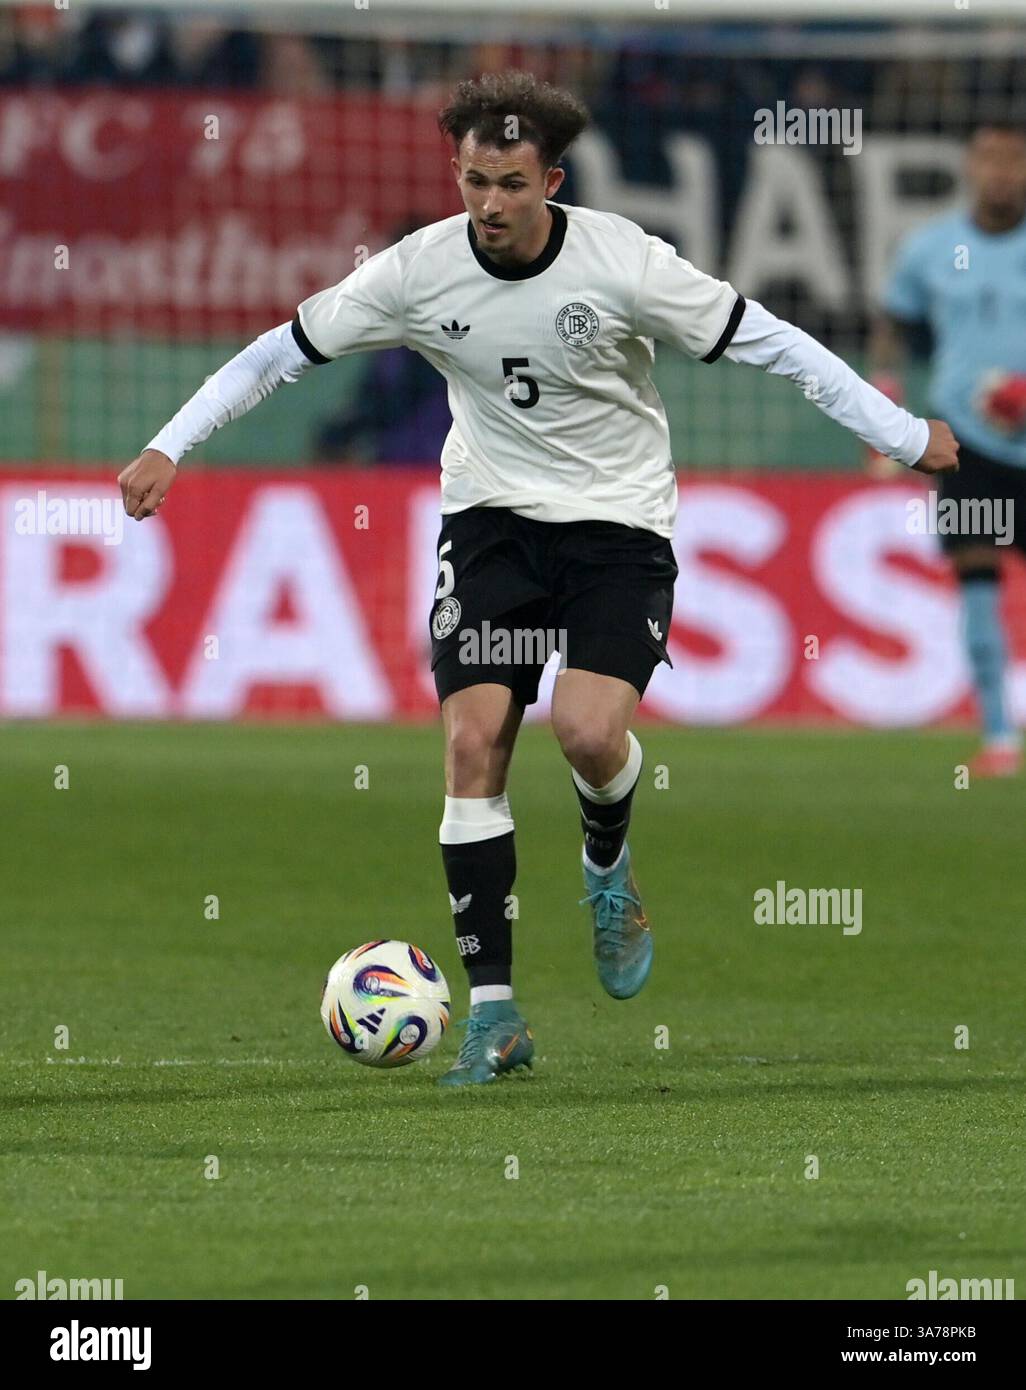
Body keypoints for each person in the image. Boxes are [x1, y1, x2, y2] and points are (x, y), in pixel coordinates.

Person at [118, 72, 958, 1085]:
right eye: (474, 180)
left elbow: (772, 343)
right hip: (491, 527)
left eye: (512, 183)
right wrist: (171, 445)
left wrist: (902, 435)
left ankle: (607, 866)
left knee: (590, 733)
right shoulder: (417, 271)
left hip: (617, 525)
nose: (490, 204)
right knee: (474, 744)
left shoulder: (625, 262)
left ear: (550, 180)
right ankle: (496, 1016)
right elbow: (276, 354)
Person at [872, 122, 1026, 777]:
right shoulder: (930, 248)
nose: (1000, 171)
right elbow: (893, 325)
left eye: (1014, 159)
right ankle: (999, 738)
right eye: (988, 157)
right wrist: (881, 405)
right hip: (968, 443)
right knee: (976, 581)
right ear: (969, 165)